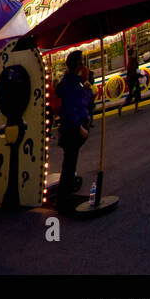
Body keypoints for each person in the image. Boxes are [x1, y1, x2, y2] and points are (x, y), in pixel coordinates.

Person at [55, 51, 93, 211]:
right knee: (69, 164)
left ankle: (66, 195)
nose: (83, 66)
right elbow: (71, 109)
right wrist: (80, 128)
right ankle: (64, 199)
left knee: (70, 163)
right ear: (76, 65)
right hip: (73, 129)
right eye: (81, 63)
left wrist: (87, 89)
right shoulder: (70, 84)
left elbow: (82, 102)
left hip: (73, 127)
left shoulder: (75, 82)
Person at [124, 46, 142, 112]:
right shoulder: (132, 61)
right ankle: (121, 106)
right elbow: (135, 70)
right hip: (132, 80)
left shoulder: (132, 60)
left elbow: (137, 69)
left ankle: (136, 108)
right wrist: (140, 75)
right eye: (134, 52)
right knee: (133, 93)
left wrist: (139, 74)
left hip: (133, 80)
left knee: (136, 93)